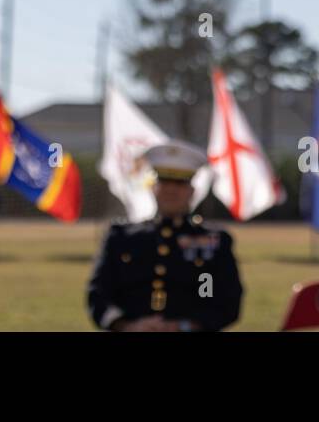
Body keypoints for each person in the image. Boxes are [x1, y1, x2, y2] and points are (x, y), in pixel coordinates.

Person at [87, 141, 242, 331]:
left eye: (180, 183)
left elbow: (227, 300)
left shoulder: (215, 240)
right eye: (165, 181)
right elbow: (99, 294)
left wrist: (185, 326)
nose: (171, 190)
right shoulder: (121, 237)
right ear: (153, 188)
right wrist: (126, 325)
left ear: (192, 191)